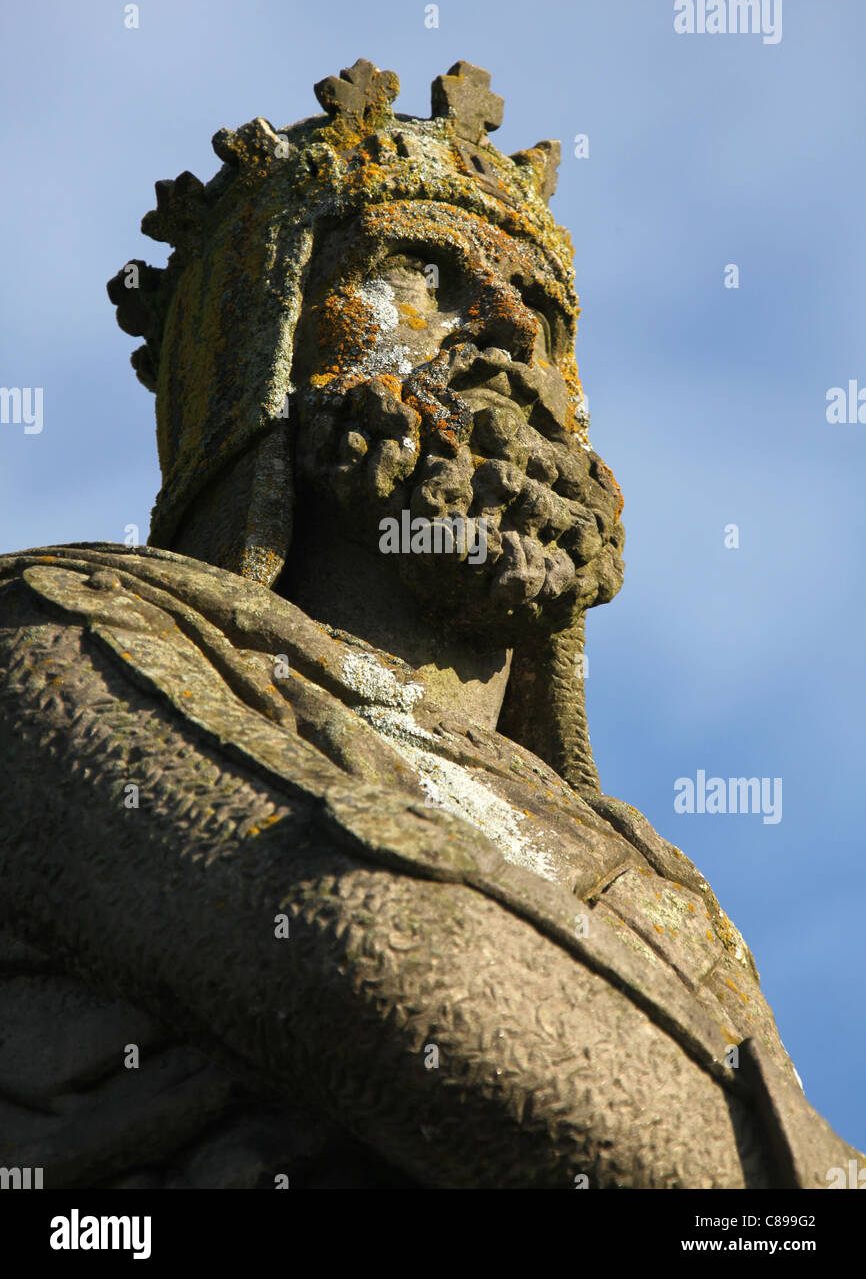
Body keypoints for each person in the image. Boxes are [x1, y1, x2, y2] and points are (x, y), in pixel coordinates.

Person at [0, 60, 859, 1188]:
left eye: (542, 311)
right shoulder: (61, 641)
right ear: (269, 349)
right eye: (421, 267)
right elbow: (381, 960)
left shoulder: (661, 884)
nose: (506, 327)